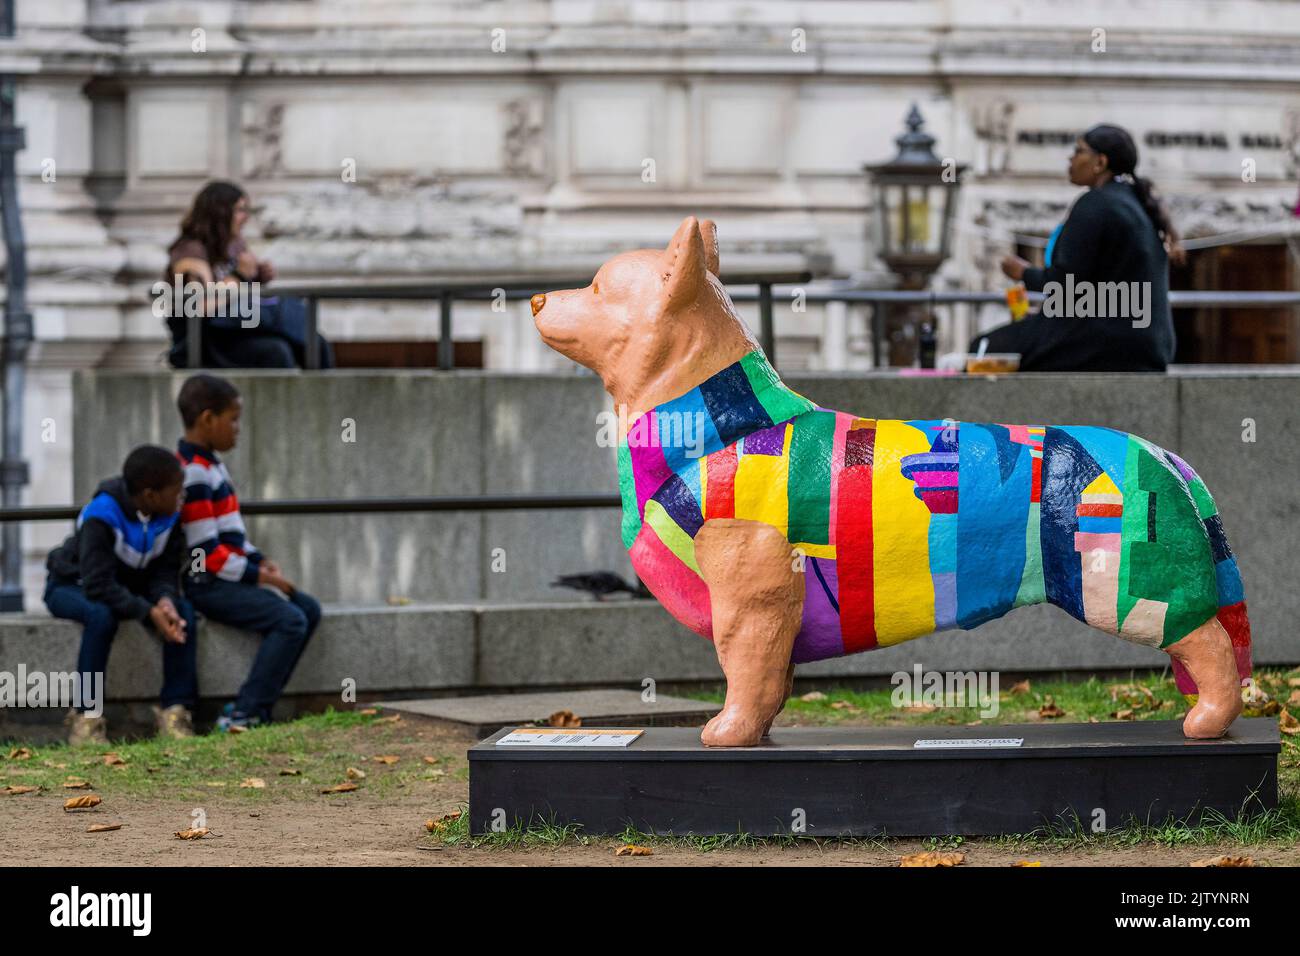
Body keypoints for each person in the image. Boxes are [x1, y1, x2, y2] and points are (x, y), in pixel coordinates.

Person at [175, 374, 322, 731]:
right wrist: (261, 577)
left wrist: (258, 560)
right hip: (207, 583)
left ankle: (261, 706)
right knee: (289, 620)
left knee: (307, 609)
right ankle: (244, 712)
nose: (238, 429)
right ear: (208, 419)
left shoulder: (211, 464)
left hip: (228, 574)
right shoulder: (194, 473)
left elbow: (231, 535)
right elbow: (205, 553)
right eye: (233, 419)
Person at [972, 124, 1182, 371]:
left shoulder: (1095, 203)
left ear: (1100, 162)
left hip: (1106, 342)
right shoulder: (1137, 203)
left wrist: (1023, 273)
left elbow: (1066, 283)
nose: (1070, 158)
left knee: (984, 348)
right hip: (1150, 345)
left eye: (1079, 151)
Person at [44, 446, 197, 744]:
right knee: (101, 616)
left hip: (122, 589)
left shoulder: (168, 517)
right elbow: (97, 584)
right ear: (151, 495)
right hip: (71, 585)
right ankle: (86, 717)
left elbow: (165, 570)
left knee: (182, 611)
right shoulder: (103, 514)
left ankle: (176, 711)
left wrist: (164, 601)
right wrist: (147, 612)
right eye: (176, 491)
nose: (182, 498)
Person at [162, 181, 334, 369]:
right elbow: (200, 305)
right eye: (239, 210)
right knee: (275, 353)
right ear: (219, 213)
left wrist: (256, 277)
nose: (245, 218)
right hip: (207, 341)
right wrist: (240, 275)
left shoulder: (234, 245)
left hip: (237, 330)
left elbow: (237, 290)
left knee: (316, 345)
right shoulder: (190, 252)